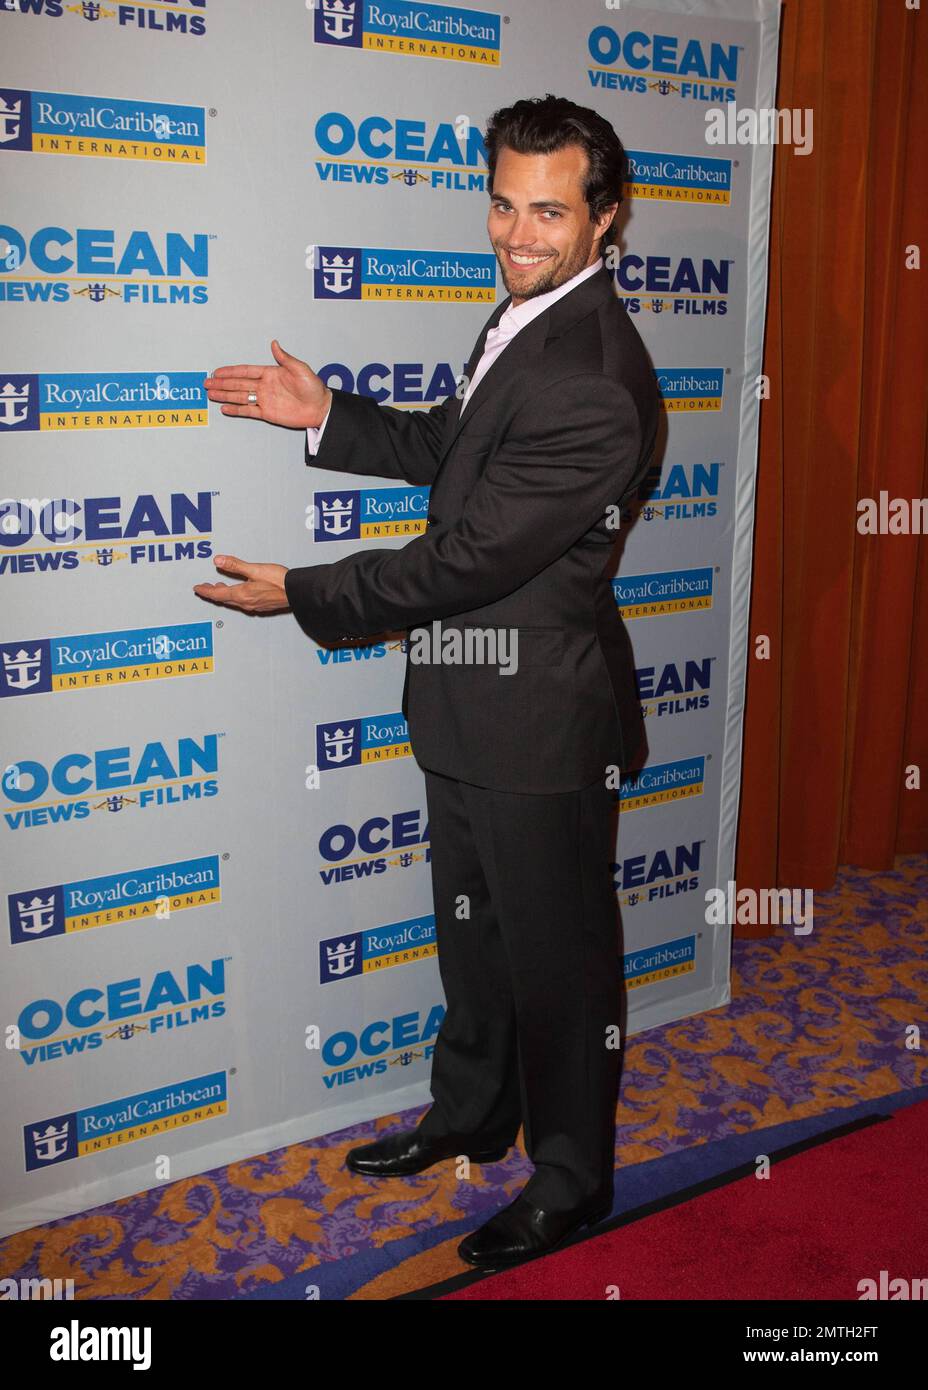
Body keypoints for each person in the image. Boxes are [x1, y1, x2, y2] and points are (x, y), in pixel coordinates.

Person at [196, 94, 660, 1272]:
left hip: (542, 716)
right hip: (464, 690)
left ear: (605, 218)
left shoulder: (597, 375)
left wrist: (301, 592)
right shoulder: (521, 316)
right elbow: (454, 453)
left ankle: (571, 1177)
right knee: (474, 932)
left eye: (548, 211)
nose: (516, 231)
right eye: (503, 202)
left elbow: (464, 556)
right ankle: (471, 1113)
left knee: (560, 962)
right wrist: (328, 416)